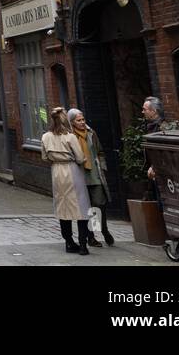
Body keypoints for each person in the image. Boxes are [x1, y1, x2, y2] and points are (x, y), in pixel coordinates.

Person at [41, 107, 92, 255]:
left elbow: (44, 157)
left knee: (63, 209)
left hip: (56, 172)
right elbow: (80, 157)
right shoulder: (70, 137)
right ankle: (83, 245)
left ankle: (69, 242)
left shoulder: (46, 137)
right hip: (72, 171)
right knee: (81, 208)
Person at [68, 108, 115, 246]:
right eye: (78, 120)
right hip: (79, 175)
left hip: (94, 174)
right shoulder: (69, 136)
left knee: (99, 205)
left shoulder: (91, 133)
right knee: (85, 208)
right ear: (72, 122)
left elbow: (99, 151)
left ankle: (103, 230)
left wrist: (102, 166)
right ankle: (91, 236)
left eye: (83, 119)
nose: (82, 122)